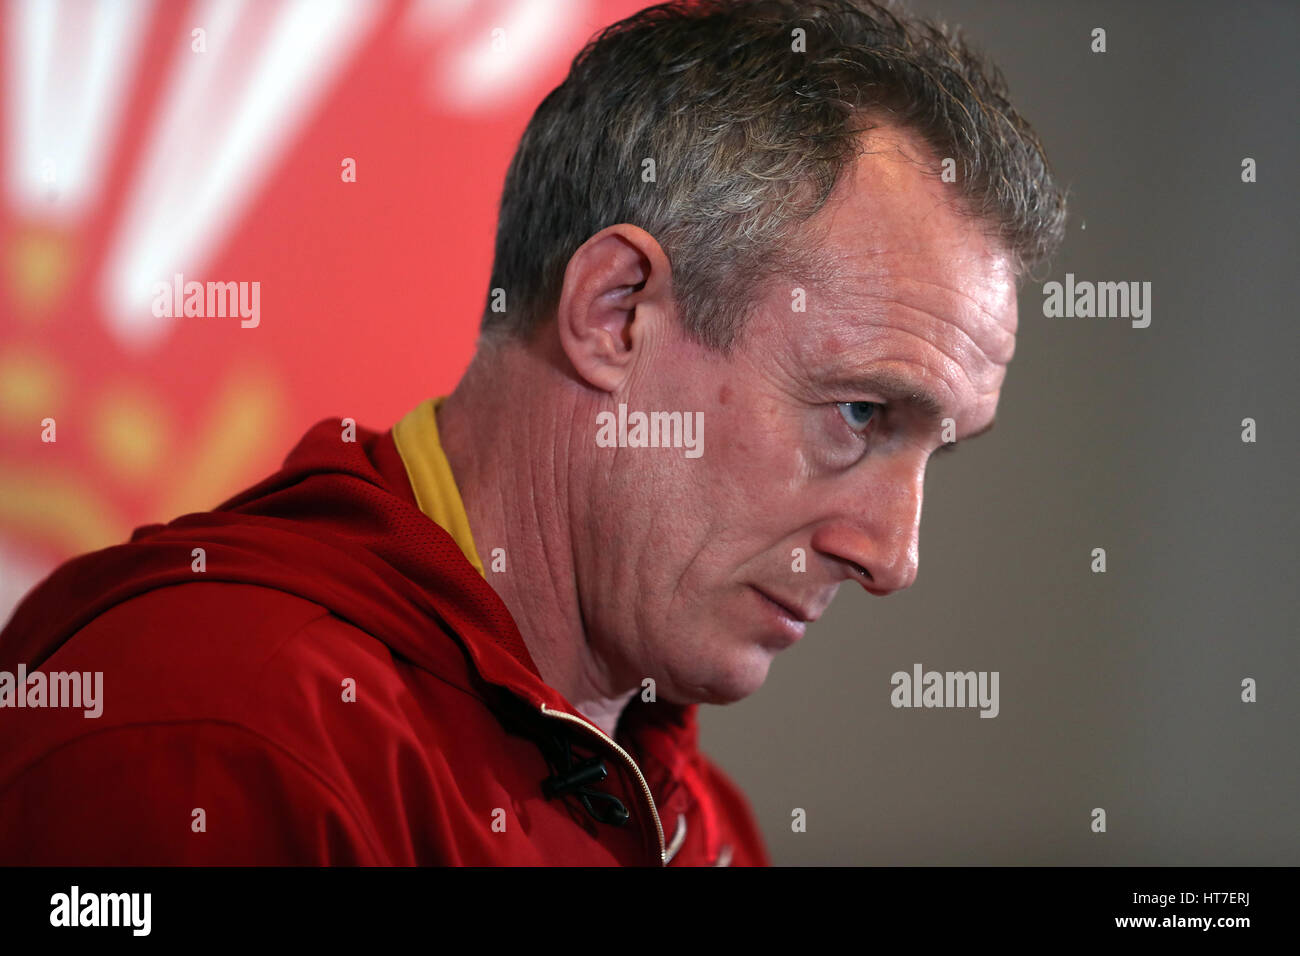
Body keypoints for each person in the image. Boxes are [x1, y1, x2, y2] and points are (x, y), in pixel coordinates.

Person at [0, 0, 1064, 866]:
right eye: (861, 413)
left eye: (938, 448)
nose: (892, 554)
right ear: (617, 312)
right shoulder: (215, 740)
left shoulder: (694, 823)